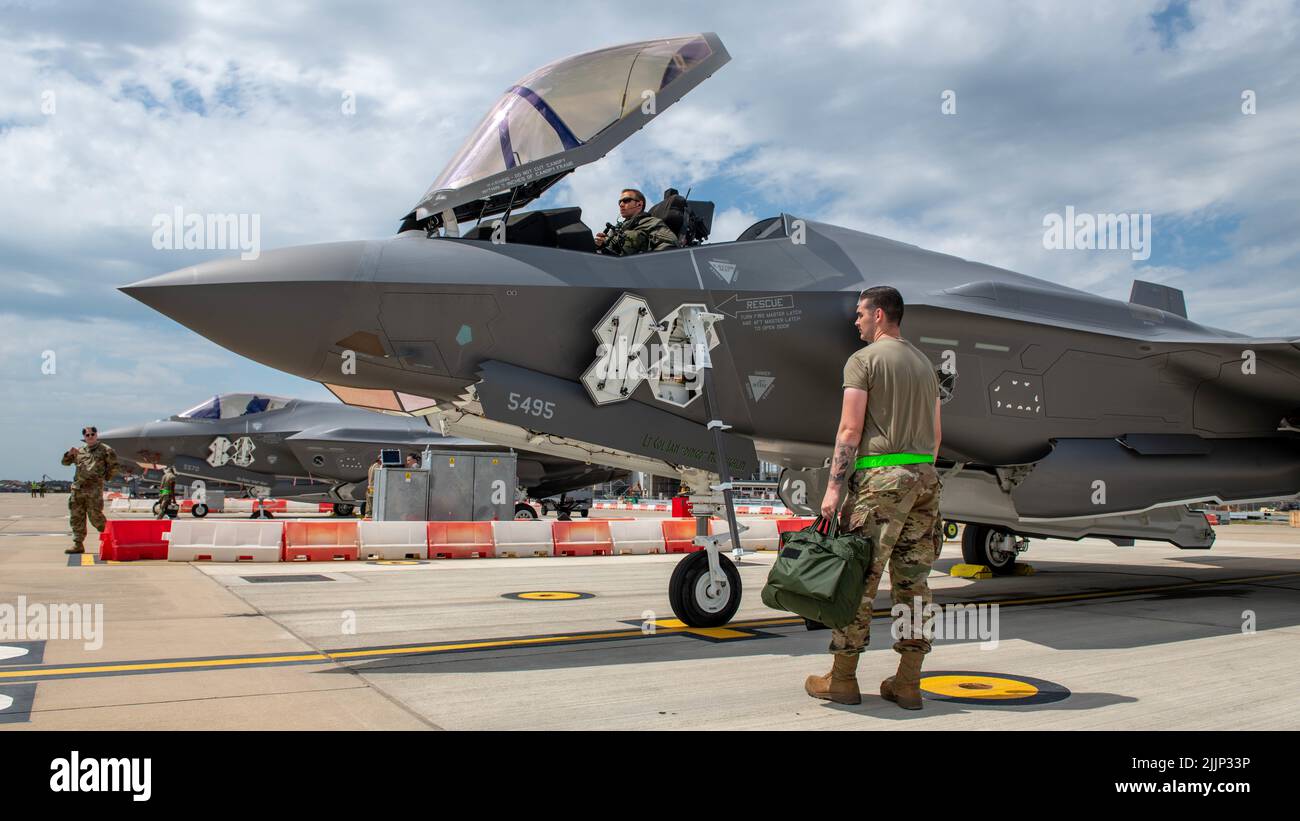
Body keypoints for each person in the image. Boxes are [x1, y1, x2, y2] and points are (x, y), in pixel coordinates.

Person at [805, 286, 943, 710]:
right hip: (924, 478)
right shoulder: (925, 364)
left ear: (880, 315)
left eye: (861, 313)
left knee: (858, 581)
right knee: (914, 584)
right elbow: (936, 437)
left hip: (880, 480)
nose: (856, 321)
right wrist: (915, 474)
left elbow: (849, 431)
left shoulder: (863, 361)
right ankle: (908, 683)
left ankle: (843, 679)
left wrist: (833, 488)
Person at [60, 426, 119, 555]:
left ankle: (112, 539)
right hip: (78, 489)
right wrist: (69, 454)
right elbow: (65, 463)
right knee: (76, 517)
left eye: (92, 434)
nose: (90, 436)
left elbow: (114, 466)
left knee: (96, 517)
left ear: (96, 435)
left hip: (94, 489)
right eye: (87, 435)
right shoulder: (80, 451)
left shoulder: (106, 450)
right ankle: (78, 544)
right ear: (85, 437)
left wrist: (104, 478)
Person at [594, 189, 679, 256]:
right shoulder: (617, 229)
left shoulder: (651, 223)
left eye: (626, 200)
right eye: (620, 202)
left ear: (639, 204)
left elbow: (669, 246)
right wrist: (601, 244)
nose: (621, 205)